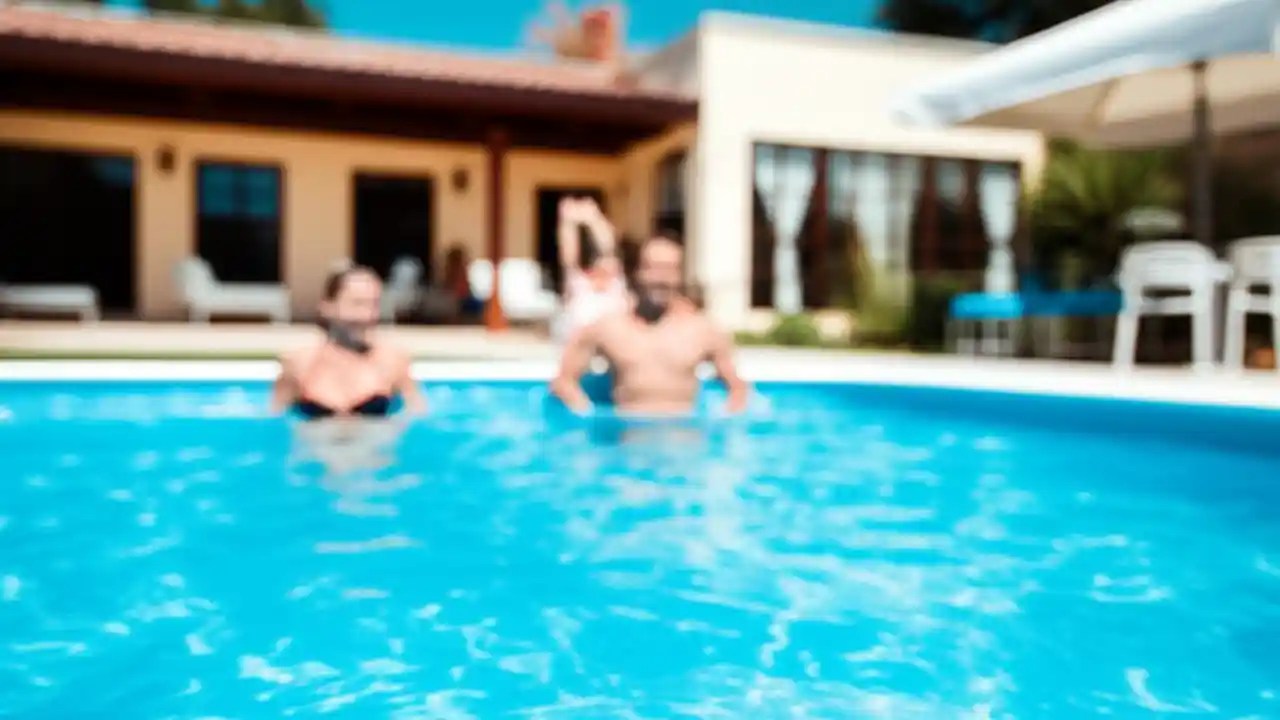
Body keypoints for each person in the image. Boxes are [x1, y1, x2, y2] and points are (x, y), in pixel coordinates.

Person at [551, 233, 750, 416]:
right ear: (637, 272)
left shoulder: (704, 331)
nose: (660, 279)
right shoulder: (608, 327)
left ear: (680, 276)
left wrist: (725, 422)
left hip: (684, 437)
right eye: (652, 268)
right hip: (629, 436)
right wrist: (591, 417)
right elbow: (563, 381)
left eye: (669, 269)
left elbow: (738, 388)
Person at [272, 264, 426, 418]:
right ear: (327, 307)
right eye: (357, 304)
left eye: (374, 305)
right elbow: (277, 421)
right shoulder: (298, 364)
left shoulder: (393, 362)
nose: (367, 315)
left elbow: (417, 417)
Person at [556, 197, 629, 340]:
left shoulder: (615, 284)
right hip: (582, 343)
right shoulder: (579, 282)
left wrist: (594, 217)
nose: (606, 264)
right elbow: (569, 256)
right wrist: (568, 221)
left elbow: (609, 247)